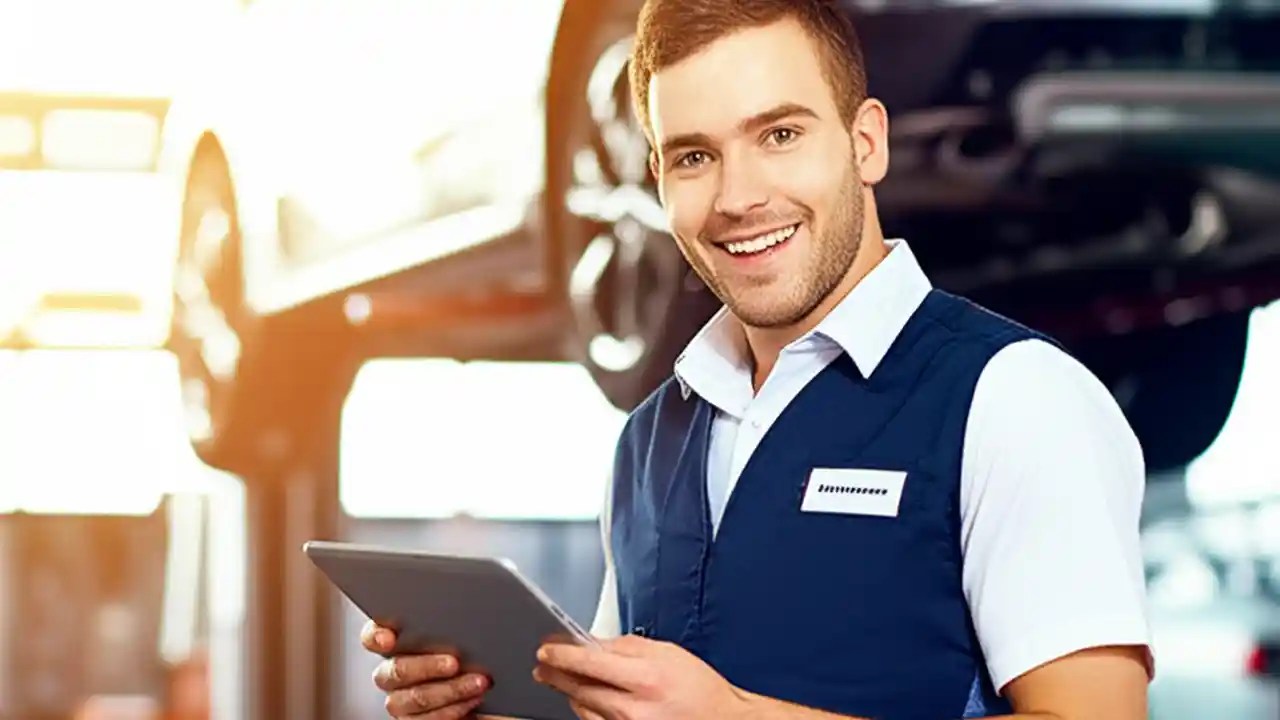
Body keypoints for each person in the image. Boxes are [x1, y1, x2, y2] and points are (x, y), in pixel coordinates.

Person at [361, 1, 1155, 718]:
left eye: (779, 136)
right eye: (693, 157)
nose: (738, 198)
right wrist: (486, 709)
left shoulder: (1016, 398)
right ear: (657, 181)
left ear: (866, 142)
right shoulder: (648, 442)